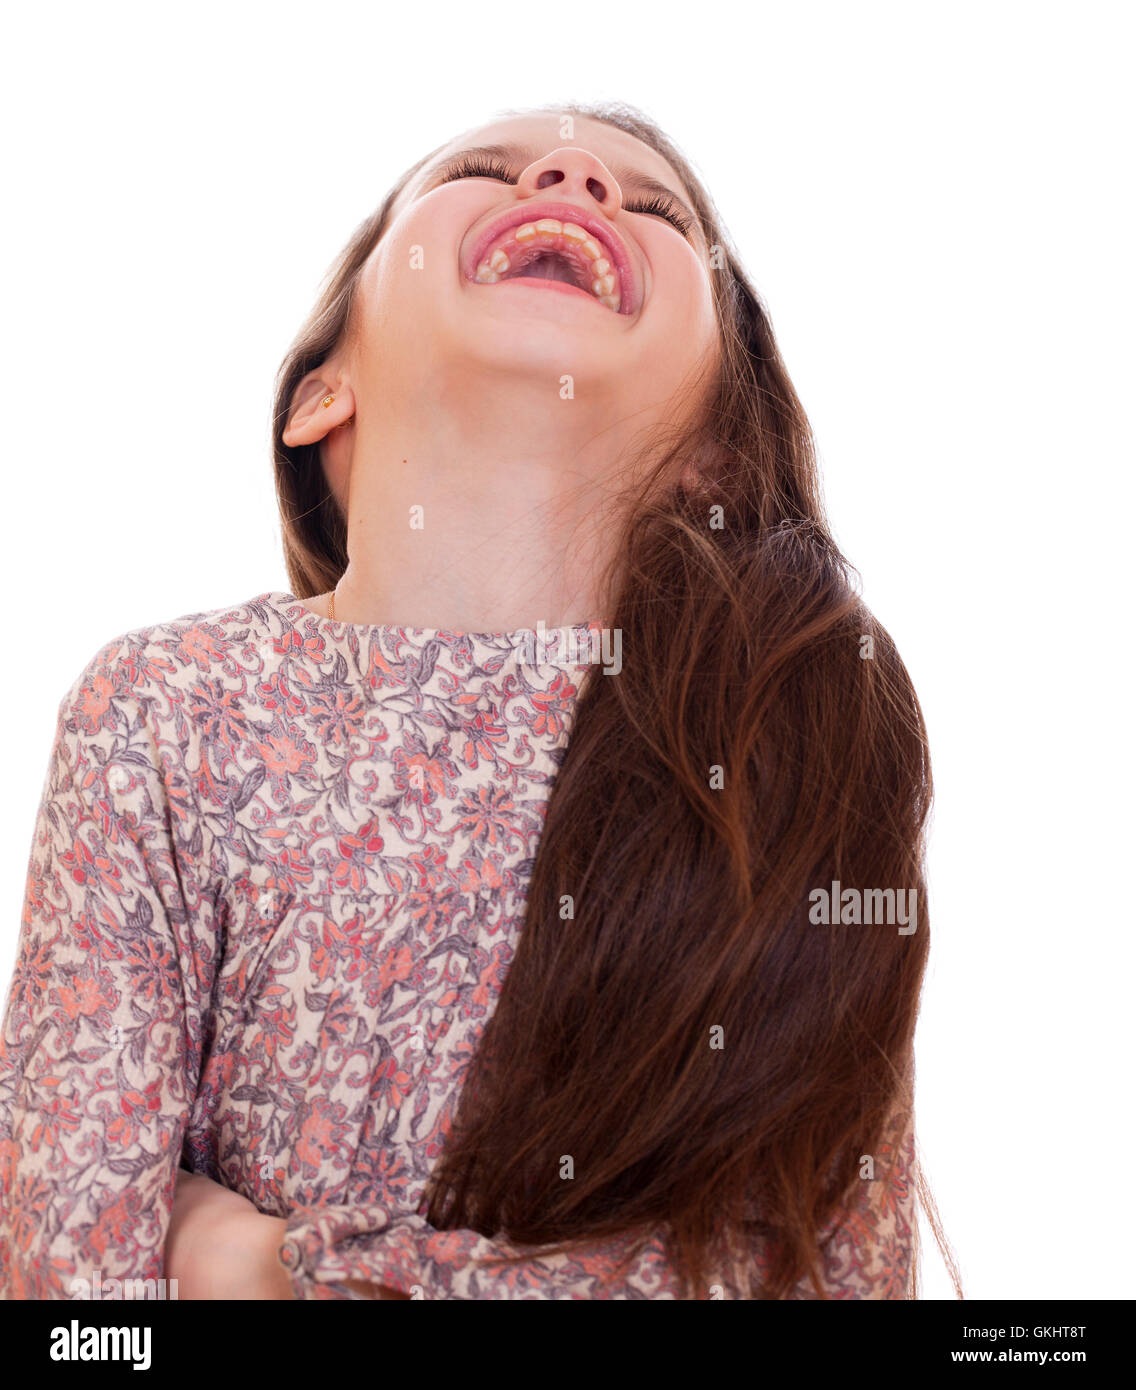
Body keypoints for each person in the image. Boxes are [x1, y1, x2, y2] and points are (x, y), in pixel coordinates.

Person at [0, 100, 957, 1299]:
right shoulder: (165, 710)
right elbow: (71, 1303)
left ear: (715, 451)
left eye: (653, 207)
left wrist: (259, 1267)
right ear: (322, 397)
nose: (570, 174)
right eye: (483, 169)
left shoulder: (791, 746)